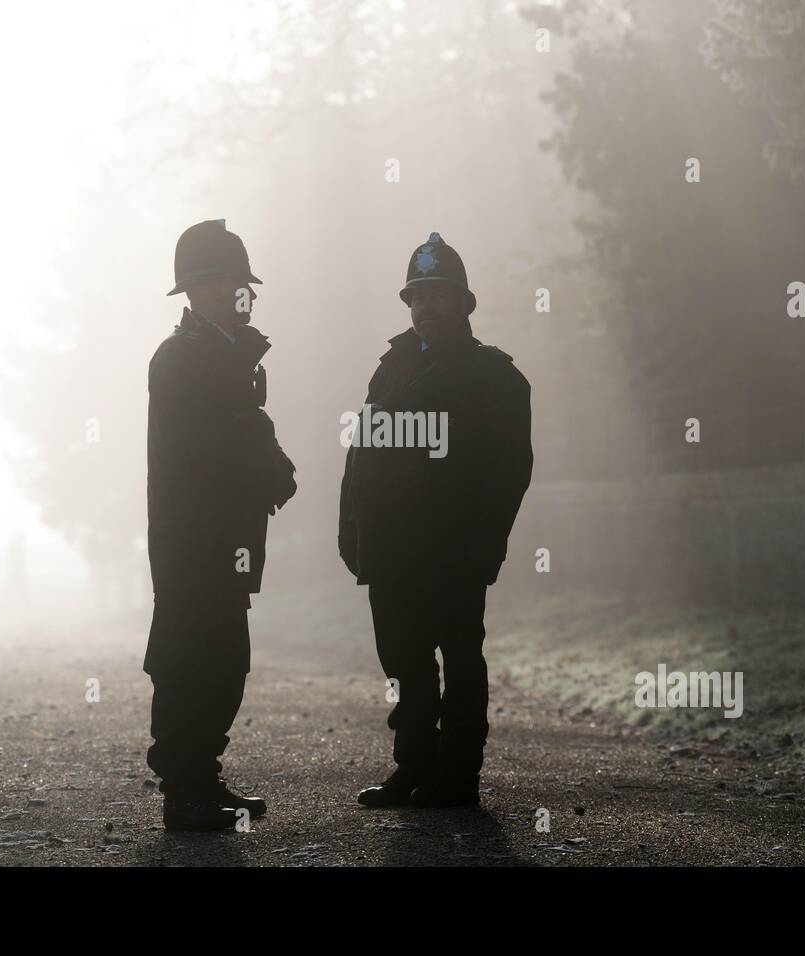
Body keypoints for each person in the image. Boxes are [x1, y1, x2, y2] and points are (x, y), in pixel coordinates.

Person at [339, 232, 533, 808]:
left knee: (460, 660)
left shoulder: (495, 377)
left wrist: (485, 545)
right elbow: (362, 457)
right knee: (402, 662)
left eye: (439, 294)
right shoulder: (390, 368)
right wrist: (353, 532)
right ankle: (414, 767)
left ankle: (457, 777)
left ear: (465, 303)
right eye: (417, 296)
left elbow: (510, 472)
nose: (426, 306)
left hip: (453, 552)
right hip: (393, 550)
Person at [145, 219, 296, 830]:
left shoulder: (222, 355)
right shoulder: (184, 359)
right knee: (191, 659)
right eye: (237, 288)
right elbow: (220, 442)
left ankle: (202, 779)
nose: (246, 299)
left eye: (246, 289)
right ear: (203, 293)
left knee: (224, 659)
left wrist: (271, 464)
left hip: (225, 540)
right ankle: (186, 794)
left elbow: (245, 430)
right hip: (193, 542)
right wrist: (270, 471)